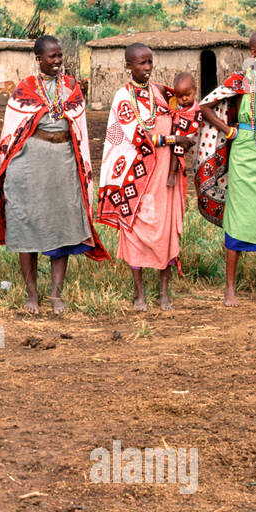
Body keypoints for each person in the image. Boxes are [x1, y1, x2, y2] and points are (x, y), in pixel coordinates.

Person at [0, 34, 107, 314]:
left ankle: (56, 293)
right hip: (29, 164)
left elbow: (78, 128)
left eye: (60, 56)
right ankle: (32, 295)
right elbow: (13, 131)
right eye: (51, 57)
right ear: (38, 59)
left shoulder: (71, 87)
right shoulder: (25, 89)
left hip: (64, 163)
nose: (57, 61)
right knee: (26, 225)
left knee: (62, 228)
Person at [97, 44, 196, 312]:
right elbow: (139, 137)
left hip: (165, 172)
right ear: (128, 66)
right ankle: (139, 294)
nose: (148, 67)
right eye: (141, 63)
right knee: (137, 229)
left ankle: (164, 293)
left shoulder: (159, 92)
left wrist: (181, 137)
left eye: (150, 62)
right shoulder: (122, 97)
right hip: (137, 177)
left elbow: (185, 108)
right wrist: (175, 139)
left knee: (164, 227)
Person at [197, 32, 256, 306]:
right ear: (255, 52)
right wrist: (229, 131)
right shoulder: (240, 79)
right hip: (246, 149)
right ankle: (230, 290)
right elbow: (206, 106)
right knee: (239, 215)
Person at [166, 72, 200, 190]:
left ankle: (172, 173)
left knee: (177, 148)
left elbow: (194, 122)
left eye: (187, 94)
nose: (184, 99)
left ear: (195, 90)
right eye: (180, 96)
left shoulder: (195, 109)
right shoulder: (175, 103)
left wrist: (180, 135)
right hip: (174, 134)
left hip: (186, 135)